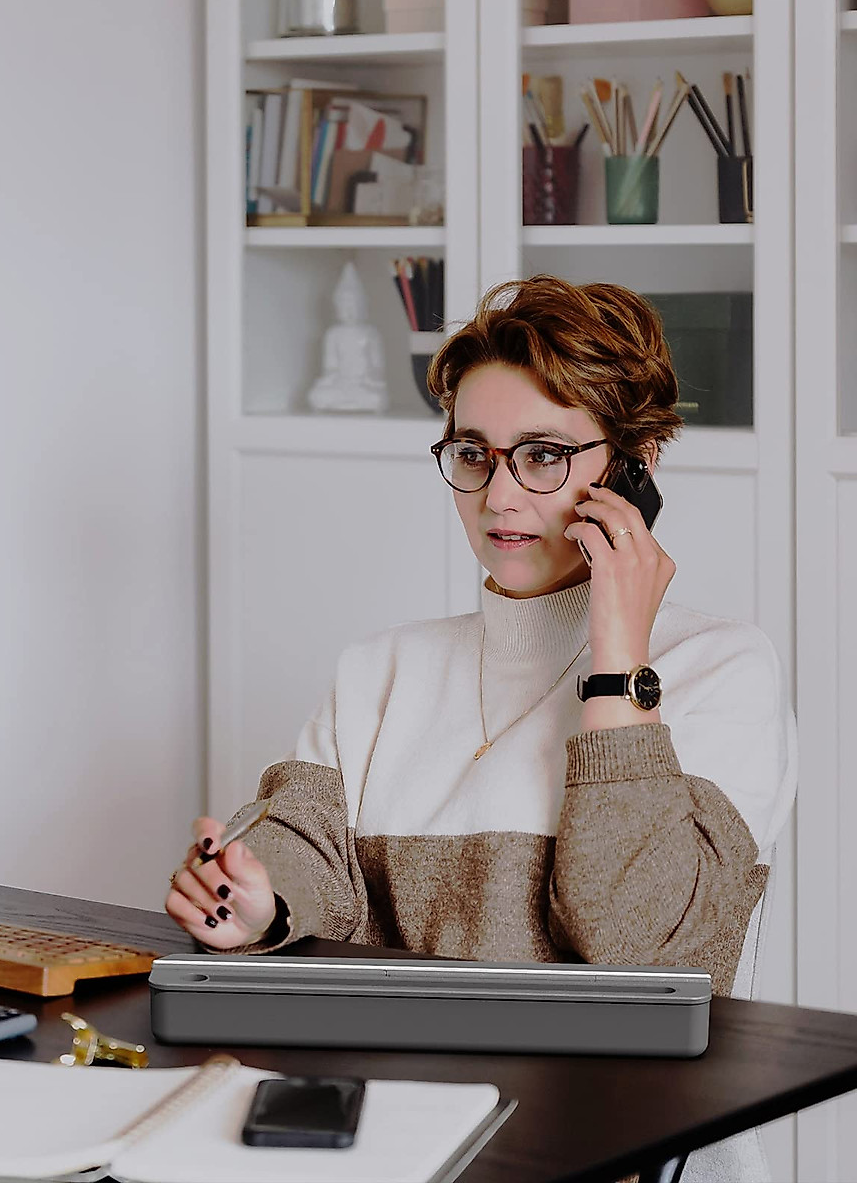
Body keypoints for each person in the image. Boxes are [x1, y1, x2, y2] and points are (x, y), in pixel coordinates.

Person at [164, 275, 796, 1182]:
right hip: (406, 1139)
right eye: (474, 453)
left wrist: (618, 657)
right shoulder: (380, 668)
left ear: (637, 464)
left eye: (542, 455)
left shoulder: (721, 669)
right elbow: (305, 853)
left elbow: (642, 946)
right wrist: (256, 900)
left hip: (623, 1151)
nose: (498, 495)